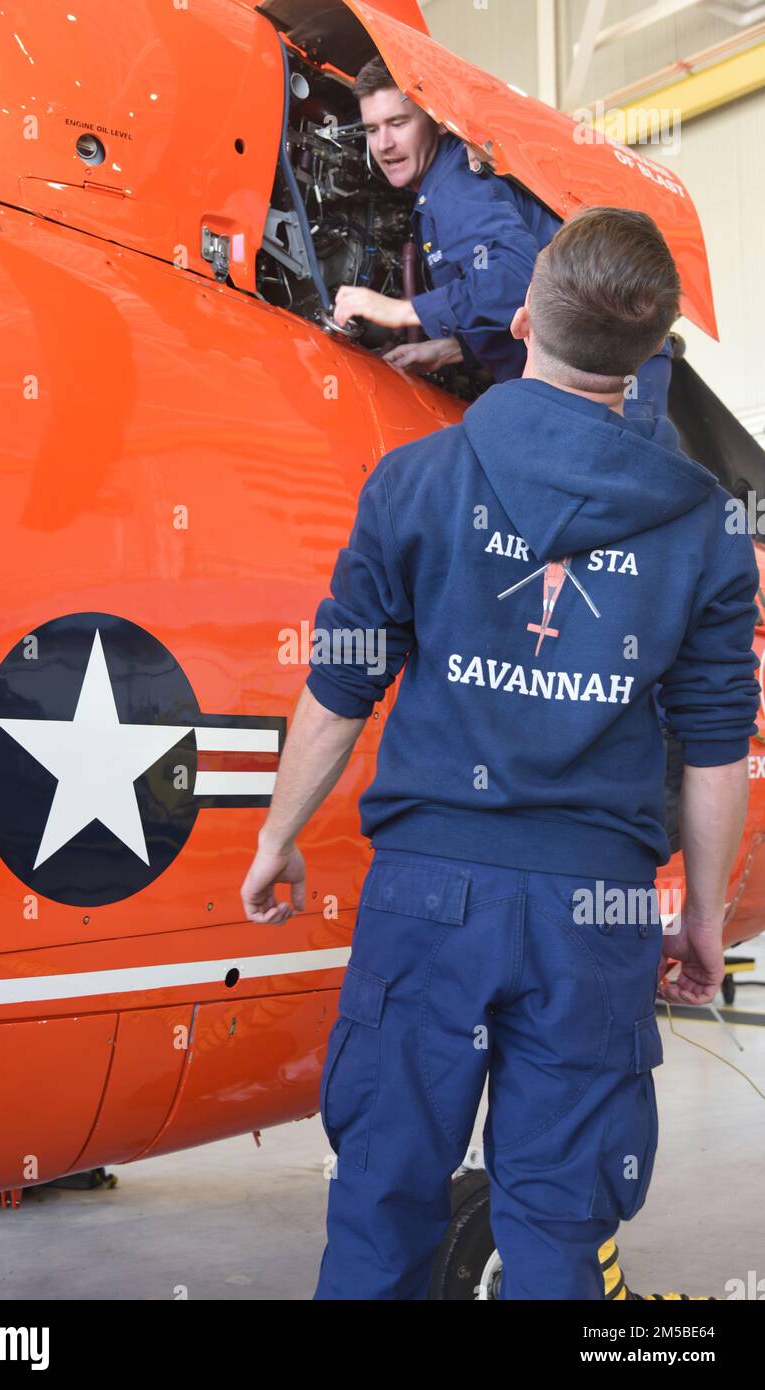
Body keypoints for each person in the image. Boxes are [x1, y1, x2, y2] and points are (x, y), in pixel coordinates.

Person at [239, 205, 760, 1300]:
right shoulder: (707, 527)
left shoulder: (414, 481)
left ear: (521, 318)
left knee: (381, 1199)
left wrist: (277, 838)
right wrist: (704, 919)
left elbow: (339, 685)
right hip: (597, 914)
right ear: (649, 356)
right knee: (559, 1226)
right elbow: (717, 746)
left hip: (426, 898)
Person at [333, 55, 673, 419]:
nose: (384, 143)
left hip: (606, 375)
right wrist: (452, 349)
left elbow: (511, 277)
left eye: (398, 123)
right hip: (594, 372)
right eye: (372, 129)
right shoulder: (444, 184)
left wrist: (402, 310)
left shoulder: (454, 183)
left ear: (437, 122)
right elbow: (520, 305)